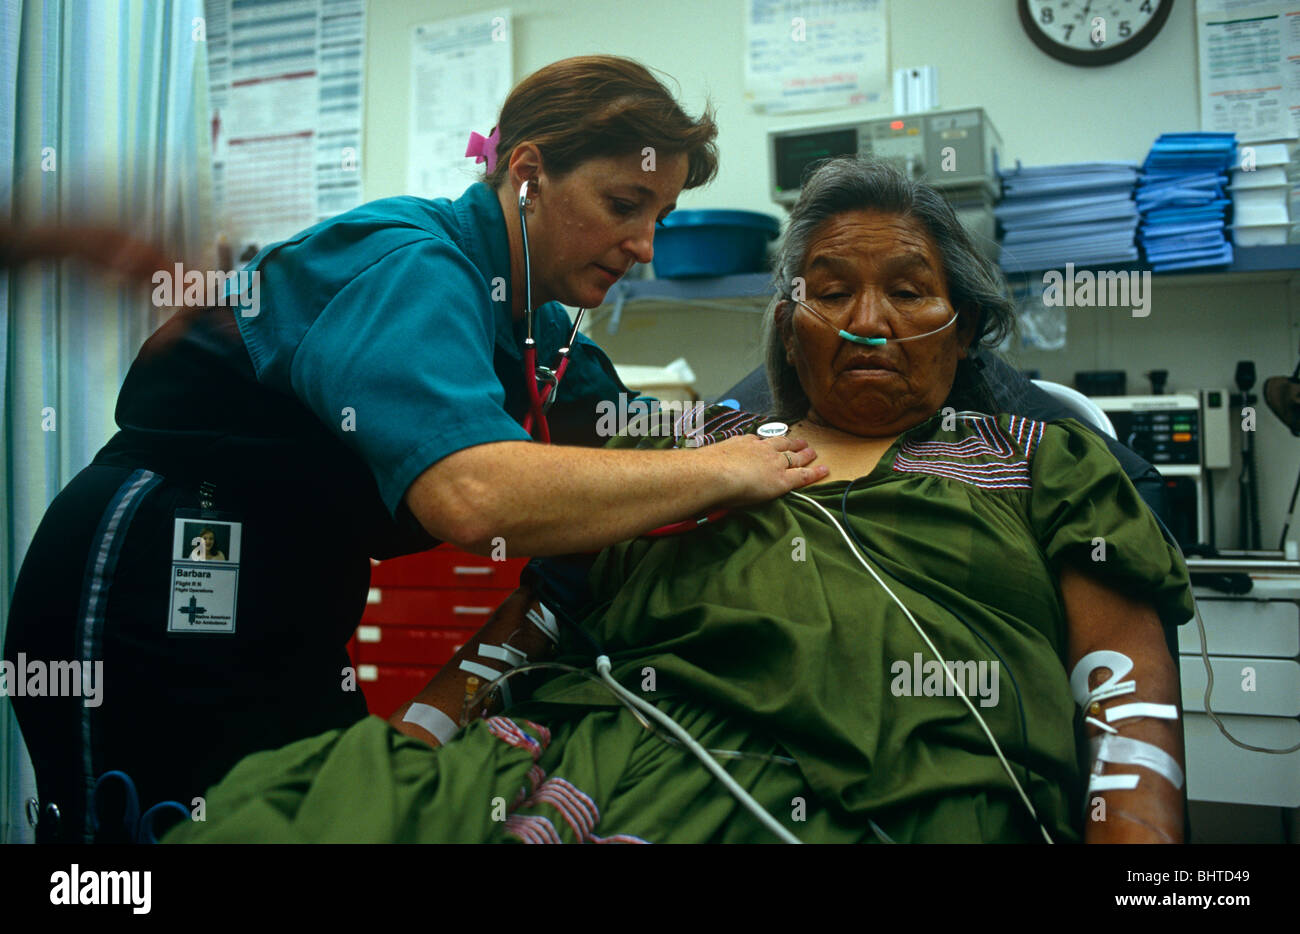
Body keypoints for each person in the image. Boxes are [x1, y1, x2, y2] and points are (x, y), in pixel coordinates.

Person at [164, 159, 1193, 844]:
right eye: (829, 291)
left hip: (864, 801)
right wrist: (423, 738)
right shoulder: (689, 456)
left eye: (910, 292)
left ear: (965, 327)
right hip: (576, 762)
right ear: (787, 327)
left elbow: (1127, 708)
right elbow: (537, 616)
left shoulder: (1035, 460)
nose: (869, 321)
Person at [4, 54, 825, 844]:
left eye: (661, 216)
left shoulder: (530, 319)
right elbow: (473, 496)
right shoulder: (415, 264)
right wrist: (723, 468)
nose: (647, 243)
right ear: (530, 172)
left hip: (290, 594)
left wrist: (776, 430)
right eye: (624, 204)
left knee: (311, 812)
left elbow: (630, 430)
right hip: (161, 567)